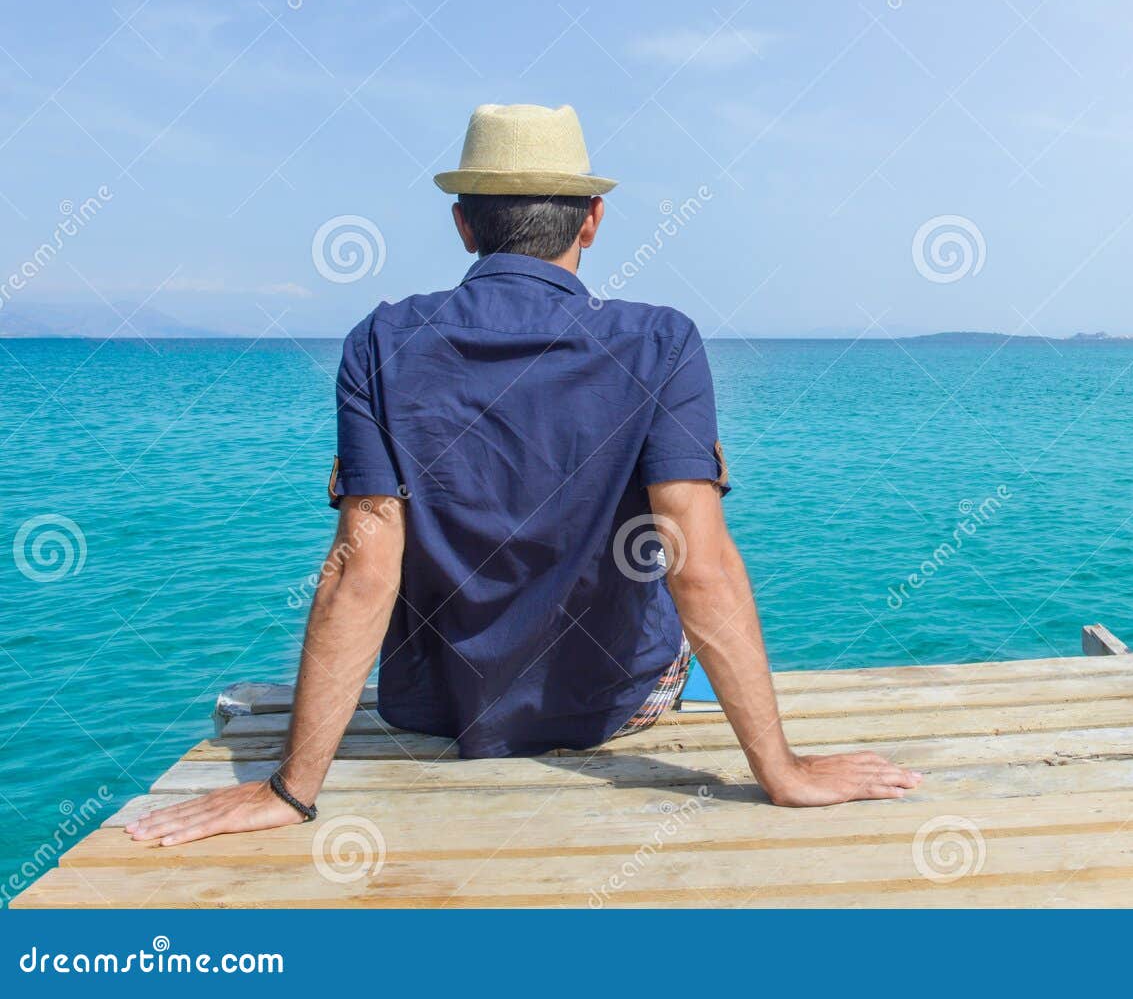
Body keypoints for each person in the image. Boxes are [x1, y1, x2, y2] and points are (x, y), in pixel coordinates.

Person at [127, 104, 920, 846]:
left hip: (434, 708)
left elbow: (360, 567)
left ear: (464, 224)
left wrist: (291, 789)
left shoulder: (380, 341)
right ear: (594, 221)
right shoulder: (661, 343)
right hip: (616, 710)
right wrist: (778, 770)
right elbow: (699, 563)